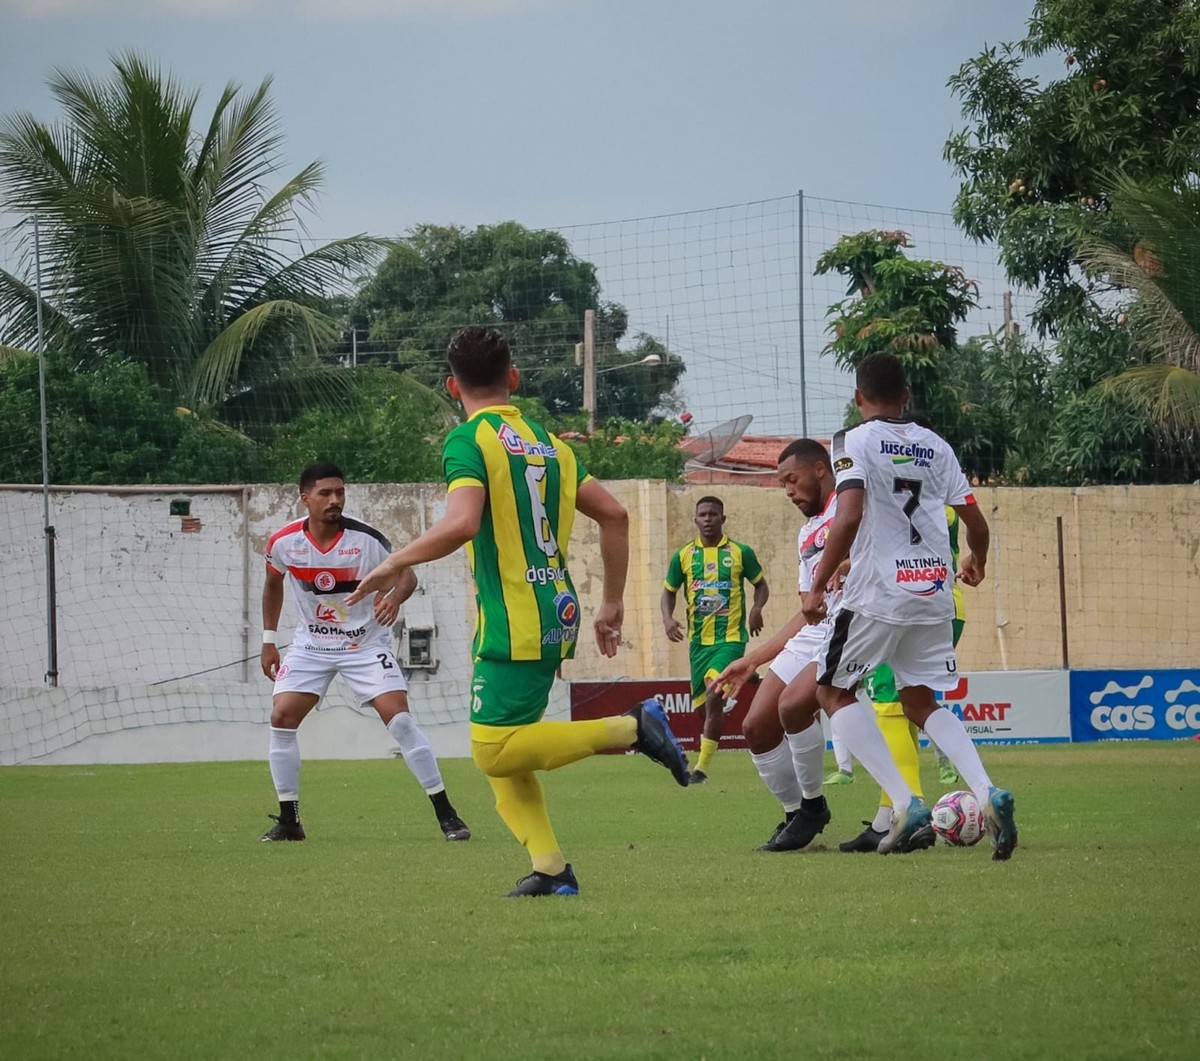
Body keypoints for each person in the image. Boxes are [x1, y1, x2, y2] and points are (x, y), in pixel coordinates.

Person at [349, 327, 688, 898]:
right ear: (514, 378)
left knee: (491, 750)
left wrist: (392, 563)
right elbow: (616, 516)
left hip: (515, 618)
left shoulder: (468, 440)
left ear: (451, 385)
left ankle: (635, 727)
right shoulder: (551, 444)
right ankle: (552, 868)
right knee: (511, 749)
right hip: (555, 607)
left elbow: (463, 524)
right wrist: (610, 603)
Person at [801, 353, 1018, 860]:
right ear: (907, 398)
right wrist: (976, 560)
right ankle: (987, 792)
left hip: (877, 593)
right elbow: (977, 525)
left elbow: (849, 515)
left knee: (831, 691)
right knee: (920, 702)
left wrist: (816, 582)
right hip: (932, 594)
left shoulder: (851, 440)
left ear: (859, 398)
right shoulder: (937, 445)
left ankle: (904, 803)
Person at [259, 462, 470, 843]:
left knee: (401, 722)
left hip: (363, 644)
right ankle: (290, 822)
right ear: (305, 498)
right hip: (311, 645)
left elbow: (407, 574)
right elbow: (272, 584)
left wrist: (394, 597)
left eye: (340, 492)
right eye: (325, 493)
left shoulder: (367, 539)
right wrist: (268, 640)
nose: (335, 500)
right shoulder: (284, 543)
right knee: (281, 717)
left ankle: (447, 815)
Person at [712, 439, 839, 851]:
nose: (788, 491)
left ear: (820, 469)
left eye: (792, 480)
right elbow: (807, 612)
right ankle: (797, 814)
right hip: (814, 633)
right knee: (755, 726)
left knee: (792, 707)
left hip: (851, 627)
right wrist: (751, 661)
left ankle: (814, 806)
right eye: (782, 483)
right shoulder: (807, 532)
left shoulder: (850, 507)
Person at [839, 504, 966, 852]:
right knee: (908, 708)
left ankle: (912, 814)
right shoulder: (944, 508)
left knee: (888, 708)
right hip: (943, 604)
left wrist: (843, 565)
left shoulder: (897, 502)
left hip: (903, 607)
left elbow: (887, 553)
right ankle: (886, 820)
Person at [661, 496, 768, 783]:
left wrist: (756, 609)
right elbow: (669, 591)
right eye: (703, 514)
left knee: (714, 695)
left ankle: (701, 769)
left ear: (723, 518)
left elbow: (761, 586)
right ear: (695, 519)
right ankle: (746, 675)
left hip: (730, 638)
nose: (708, 519)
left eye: (713, 514)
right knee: (703, 710)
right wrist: (668, 619)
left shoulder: (740, 553)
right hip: (698, 644)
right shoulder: (683, 556)